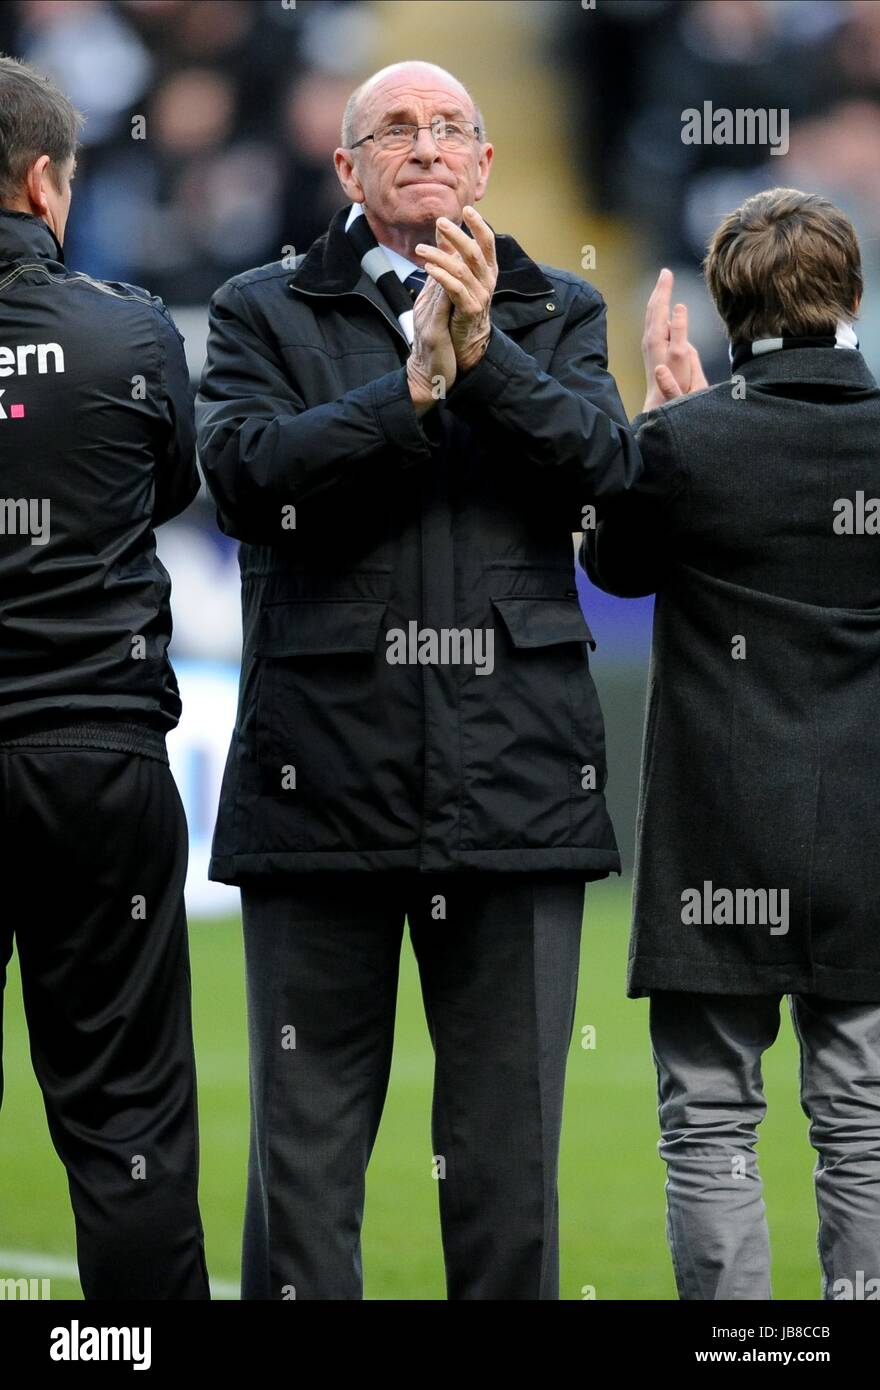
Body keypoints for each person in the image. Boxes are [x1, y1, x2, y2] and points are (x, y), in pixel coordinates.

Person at [197, 58, 641, 1300]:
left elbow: (605, 470)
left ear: (489, 167)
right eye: (395, 128)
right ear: (345, 168)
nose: (428, 145)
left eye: (453, 127)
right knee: (305, 1157)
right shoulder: (260, 307)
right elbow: (243, 477)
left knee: (508, 1167)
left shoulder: (552, 308)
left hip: (517, 792)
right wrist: (404, 398)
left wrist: (487, 359)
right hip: (319, 786)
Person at [585, 187, 880, 1300]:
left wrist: (663, 419)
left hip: (719, 844)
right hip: (867, 841)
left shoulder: (683, 444)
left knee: (709, 1125)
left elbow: (613, 561)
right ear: (848, 294)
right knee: (863, 1128)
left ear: (722, 305)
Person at [0, 55, 209, 1299]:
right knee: (126, 1121)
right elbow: (167, 487)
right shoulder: (126, 328)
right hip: (95, 757)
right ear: (43, 180)